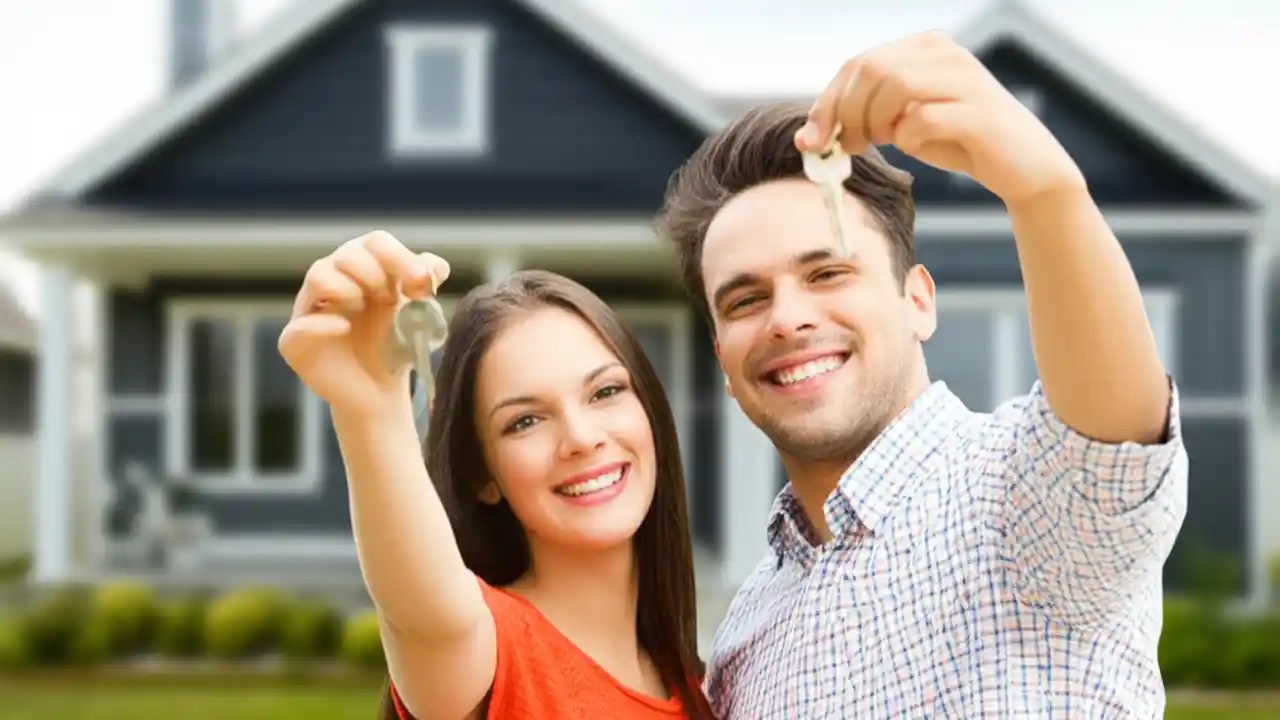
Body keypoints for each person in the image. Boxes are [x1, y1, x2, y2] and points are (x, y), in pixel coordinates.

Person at [654, 31, 1188, 718]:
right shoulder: (743, 635)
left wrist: (1041, 187)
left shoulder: (1024, 491)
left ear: (918, 302)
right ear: (723, 359)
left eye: (828, 272)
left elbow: (1113, 448)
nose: (786, 319)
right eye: (746, 299)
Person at [277, 234, 715, 719]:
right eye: (524, 421)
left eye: (606, 391)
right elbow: (424, 614)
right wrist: (371, 408)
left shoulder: (703, 688)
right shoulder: (485, 652)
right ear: (484, 475)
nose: (581, 437)